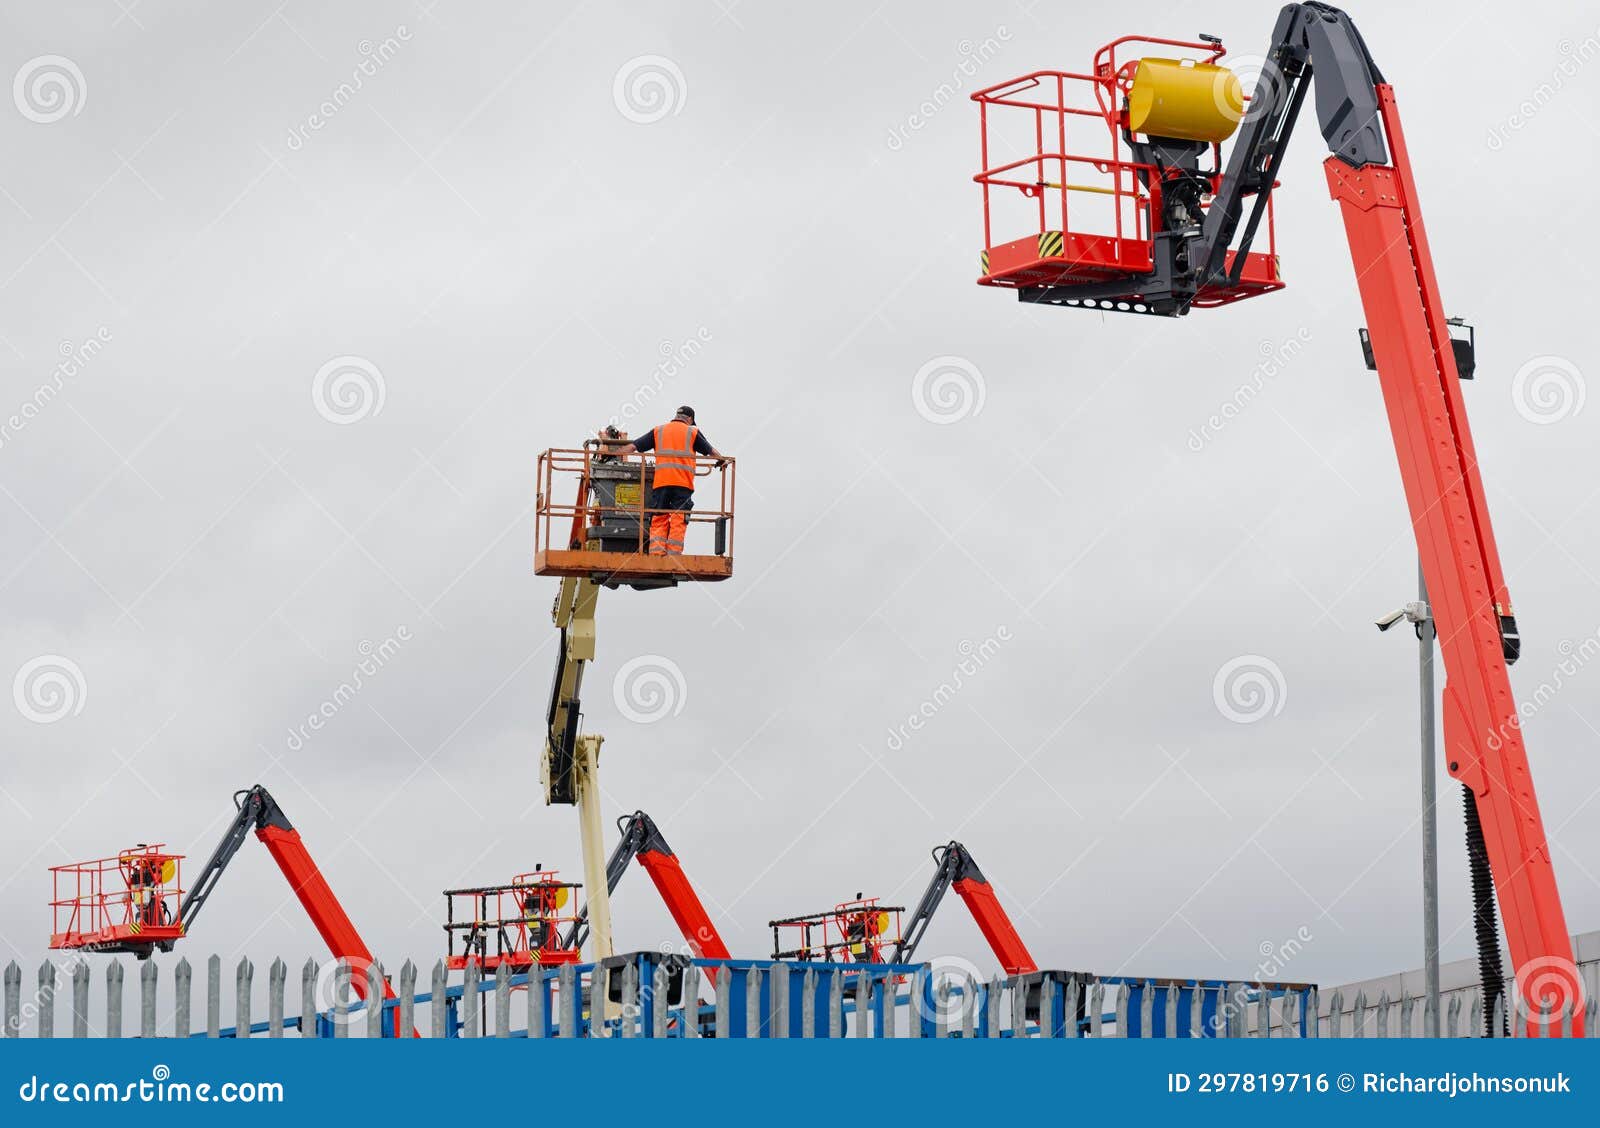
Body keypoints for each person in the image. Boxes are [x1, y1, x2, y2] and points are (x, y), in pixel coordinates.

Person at [608, 406, 726, 556]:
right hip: (683, 484)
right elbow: (711, 451)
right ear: (689, 419)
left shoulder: (659, 430)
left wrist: (610, 456)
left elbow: (633, 447)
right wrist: (721, 460)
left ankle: (656, 553)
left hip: (662, 483)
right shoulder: (692, 432)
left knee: (659, 517)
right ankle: (673, 555)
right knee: (679, 518)